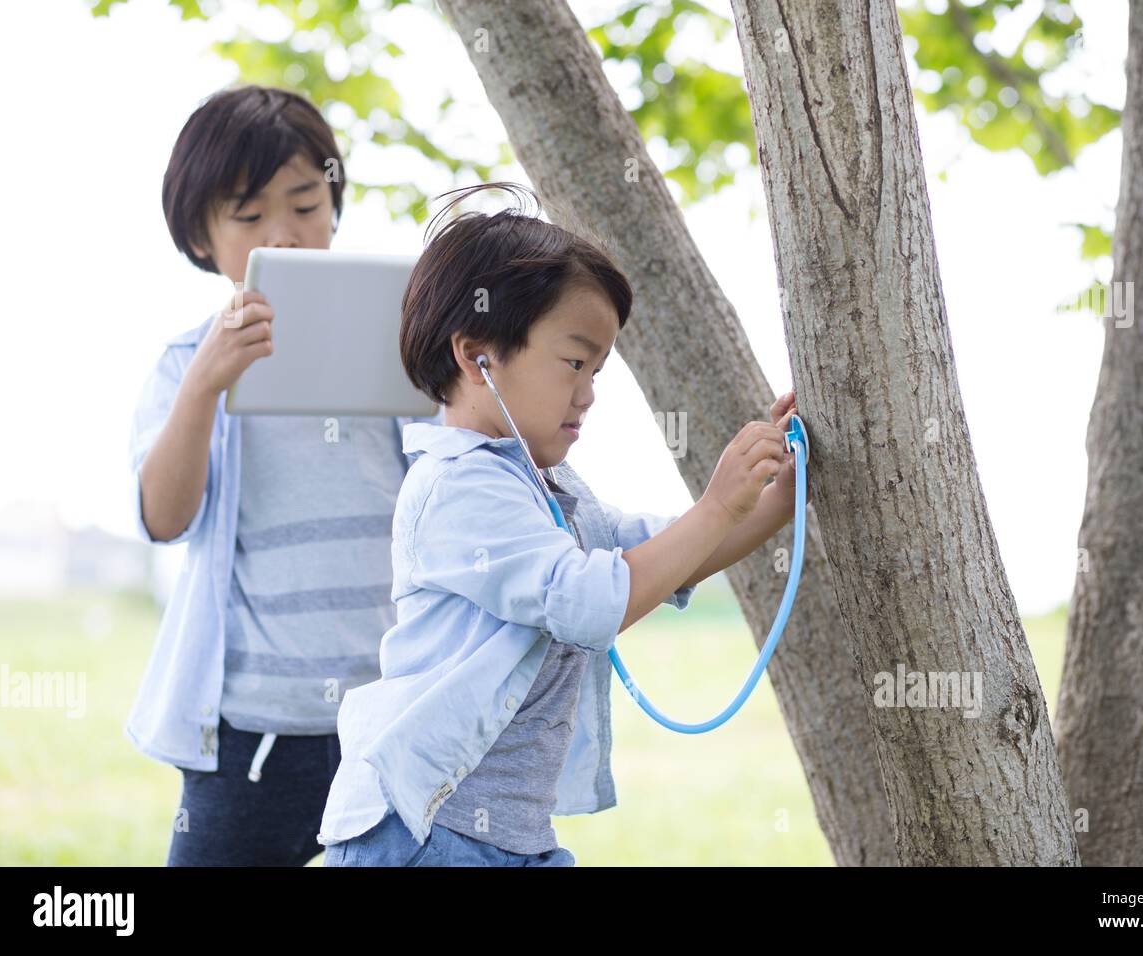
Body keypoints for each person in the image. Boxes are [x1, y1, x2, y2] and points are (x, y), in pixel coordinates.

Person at [318, 181, 799, 866]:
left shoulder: (544, 487)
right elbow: (590, 600)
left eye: (598, 368)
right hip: (424, 832)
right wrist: (718, 503)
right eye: (575, 361)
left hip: (507, 838)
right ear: (476, 355)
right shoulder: (458, 485)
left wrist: (773, 501)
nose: (590, 392)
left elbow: (663, 559)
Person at [126, 83, 439, 866]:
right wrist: (205, 384)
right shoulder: (182, 365)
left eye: (306, 204)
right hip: (251, 735)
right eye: (249, 214)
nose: (287, 235)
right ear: (201, 238)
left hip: (390, 725)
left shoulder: (398, 353)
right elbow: (165, 517)